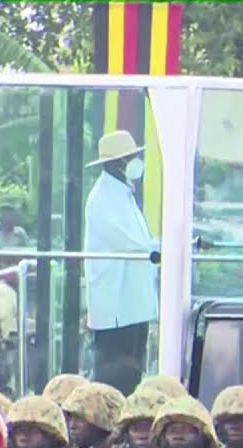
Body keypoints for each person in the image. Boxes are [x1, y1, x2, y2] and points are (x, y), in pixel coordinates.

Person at [83, 130, 160, 395]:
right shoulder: (101, 199)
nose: (136, 161)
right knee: (114, 379)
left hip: (134, 305)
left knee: (134, 372)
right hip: (117, 308)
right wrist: (161, 247)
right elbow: (129, 243)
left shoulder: (124, 195)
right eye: (131, 157)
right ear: (116, 163)